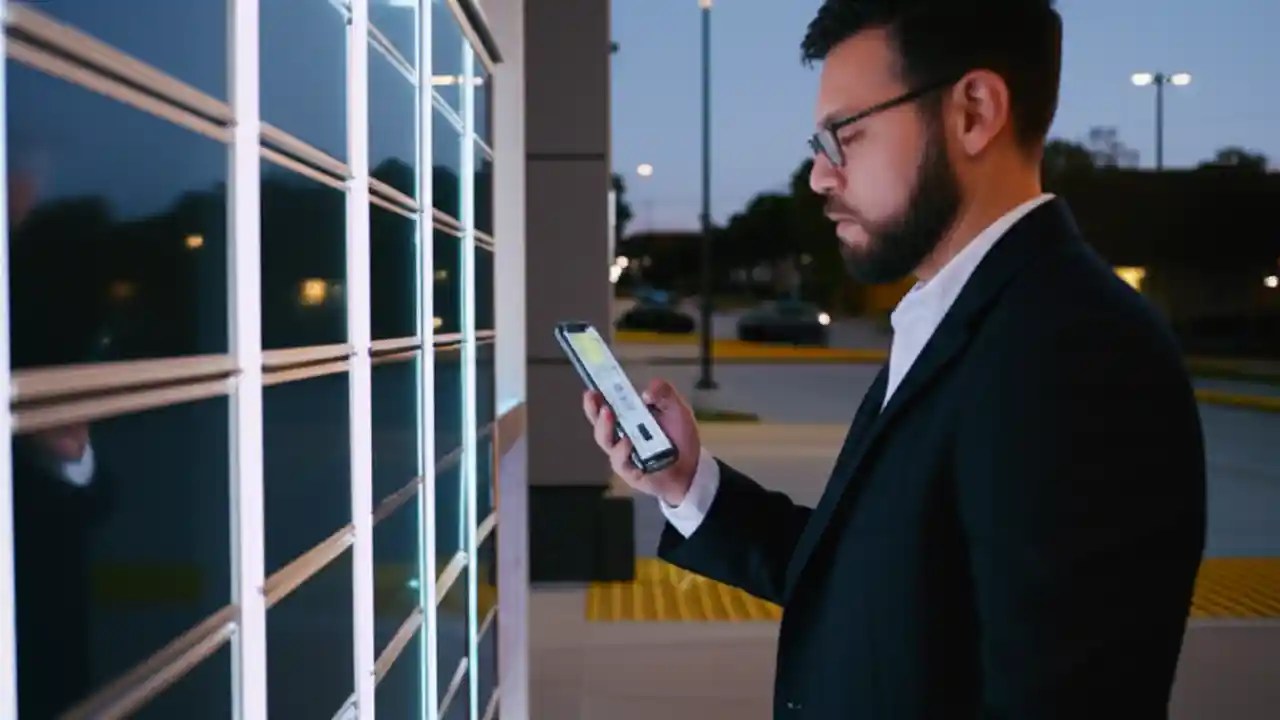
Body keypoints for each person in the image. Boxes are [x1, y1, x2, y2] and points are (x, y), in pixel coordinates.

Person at [583, 0, 1206, 716]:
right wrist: (689, 485)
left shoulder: (1074, 355)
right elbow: (879, 584)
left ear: (973, 111)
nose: (819, 175)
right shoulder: (970, 317)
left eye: (842, 134)